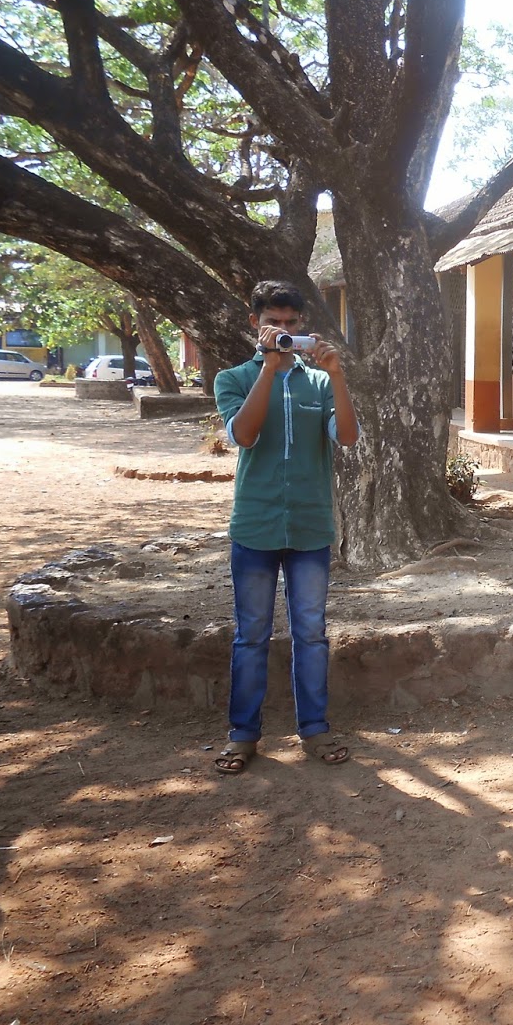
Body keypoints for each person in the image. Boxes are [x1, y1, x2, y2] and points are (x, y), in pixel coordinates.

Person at [211, 280, 360, 774]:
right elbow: (246, 435)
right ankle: (243, 735)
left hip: (311, 528)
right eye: (275, 323)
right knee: (250, 634)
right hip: (254, 525)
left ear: (304, 327)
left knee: (311, 633)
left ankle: (315, 729)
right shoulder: (231, 378)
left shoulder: (317, 381)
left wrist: (337, 376)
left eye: (293, 325)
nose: (285, 332)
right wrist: (269, 372)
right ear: (255, 323)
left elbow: (349, 438)